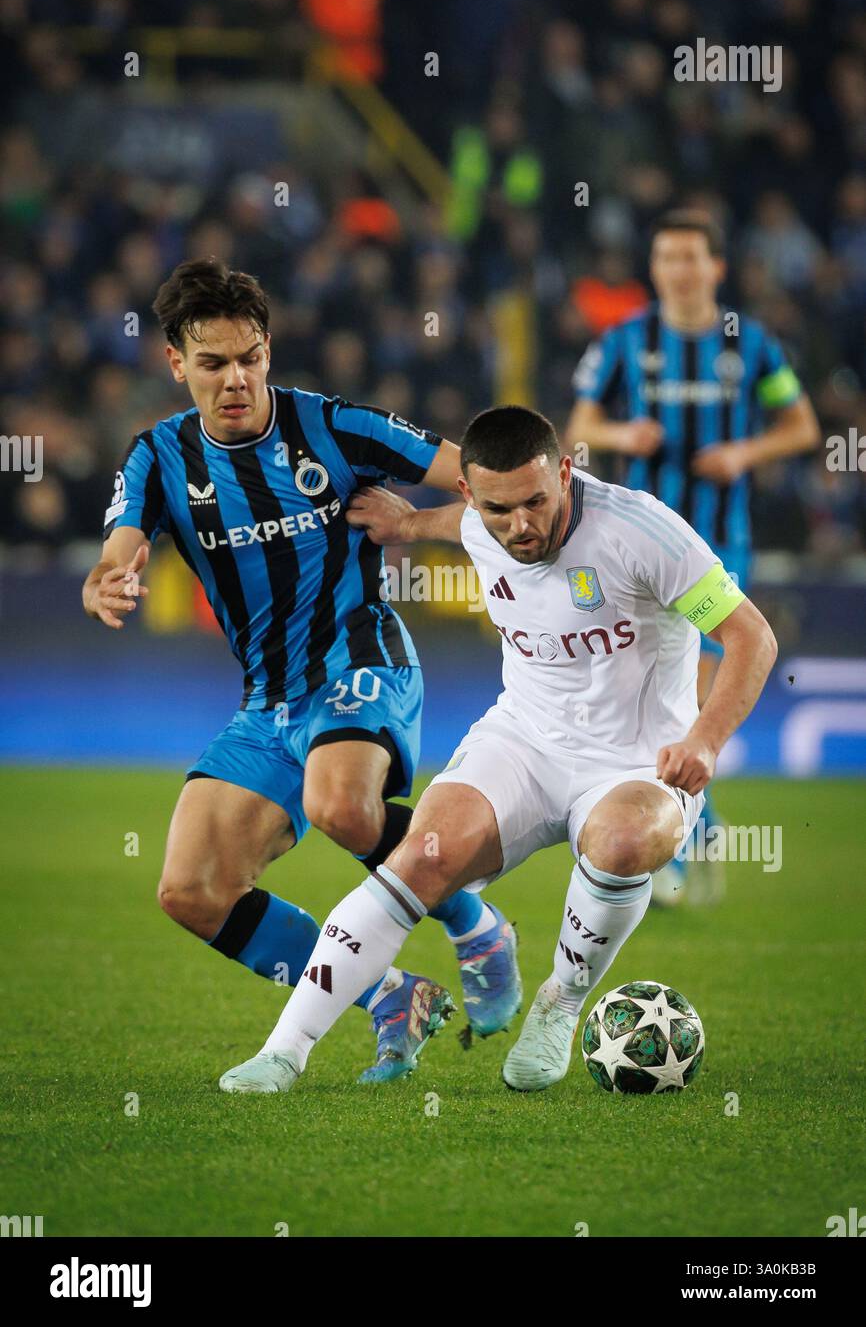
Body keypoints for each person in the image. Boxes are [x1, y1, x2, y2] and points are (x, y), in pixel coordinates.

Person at [217, 406, 777, 1095]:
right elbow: (462, 526)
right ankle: (284, 1050)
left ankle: (560, 1003)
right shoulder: (484, 520)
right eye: (498, 508)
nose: (520, 526)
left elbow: (753, 638)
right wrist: (409, 524)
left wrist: (705, 740)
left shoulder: (641, 530)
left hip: (636, 762)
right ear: (471, 495)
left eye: (537, 502)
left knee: (627, 841)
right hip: (524, 743)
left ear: (566, 472)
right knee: (420, 857)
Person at [81, 258, 521, 1087]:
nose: (236, 378)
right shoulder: (158, 457)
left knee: (340, 804)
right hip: (268, 702)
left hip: (363, 660)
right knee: (192, 890)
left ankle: (479, 928)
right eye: (213, 363)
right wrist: (111, 575)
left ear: (269, 350)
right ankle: (392, 997)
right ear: (176, 363)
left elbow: (499, 489)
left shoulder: (335, 426)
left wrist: (418, 521)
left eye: (250, 356)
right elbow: (123, 541)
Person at [565, 210, 818, 904]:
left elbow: (802, 426)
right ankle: (690, 824)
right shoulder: (624, 340)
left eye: (690, 257)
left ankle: (671, 836)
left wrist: (744, 451)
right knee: (641, 689)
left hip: (716, 543)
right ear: (655, 268)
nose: (678, 269)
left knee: (691, 692)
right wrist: (623, 430)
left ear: (715, 268)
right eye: (666, 257)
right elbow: (581, 425)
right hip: (629, 548)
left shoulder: (752, 344)